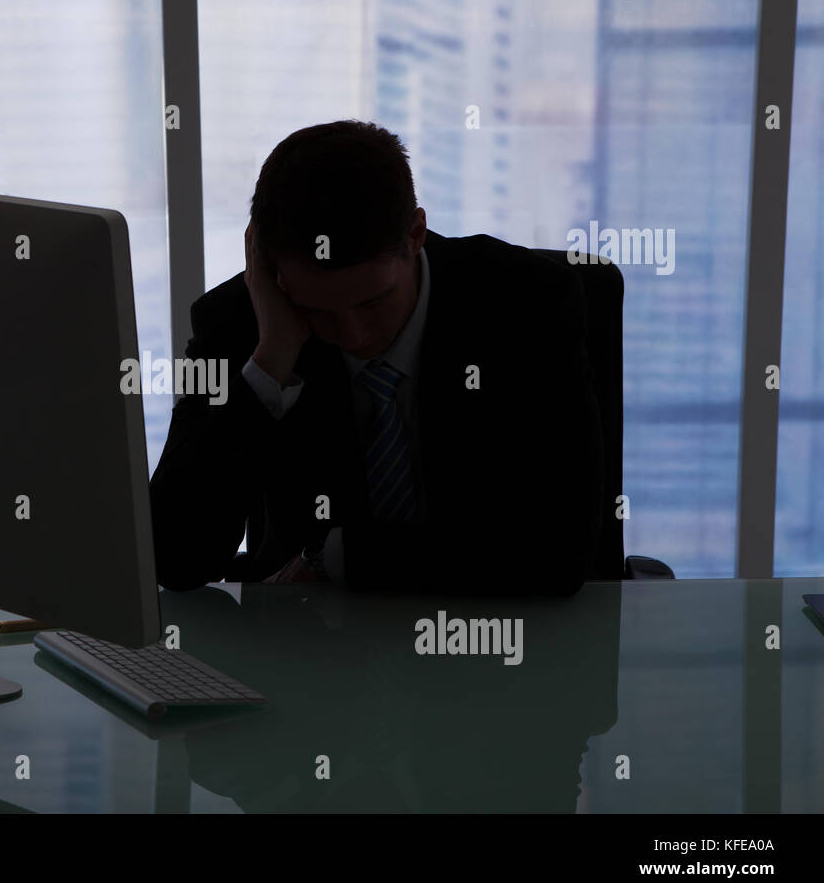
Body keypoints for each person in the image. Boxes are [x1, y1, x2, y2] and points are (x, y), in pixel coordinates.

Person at [149, 119, 605, 594]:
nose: (351, 334)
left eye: (372, 301)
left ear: (415, 234)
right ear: (270, 270)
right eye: (316, 309)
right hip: (308, 647)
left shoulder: (527, 303)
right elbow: (177, 559)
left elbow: (560, 551)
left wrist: (338, 556)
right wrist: (270, 362)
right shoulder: (239, 324)